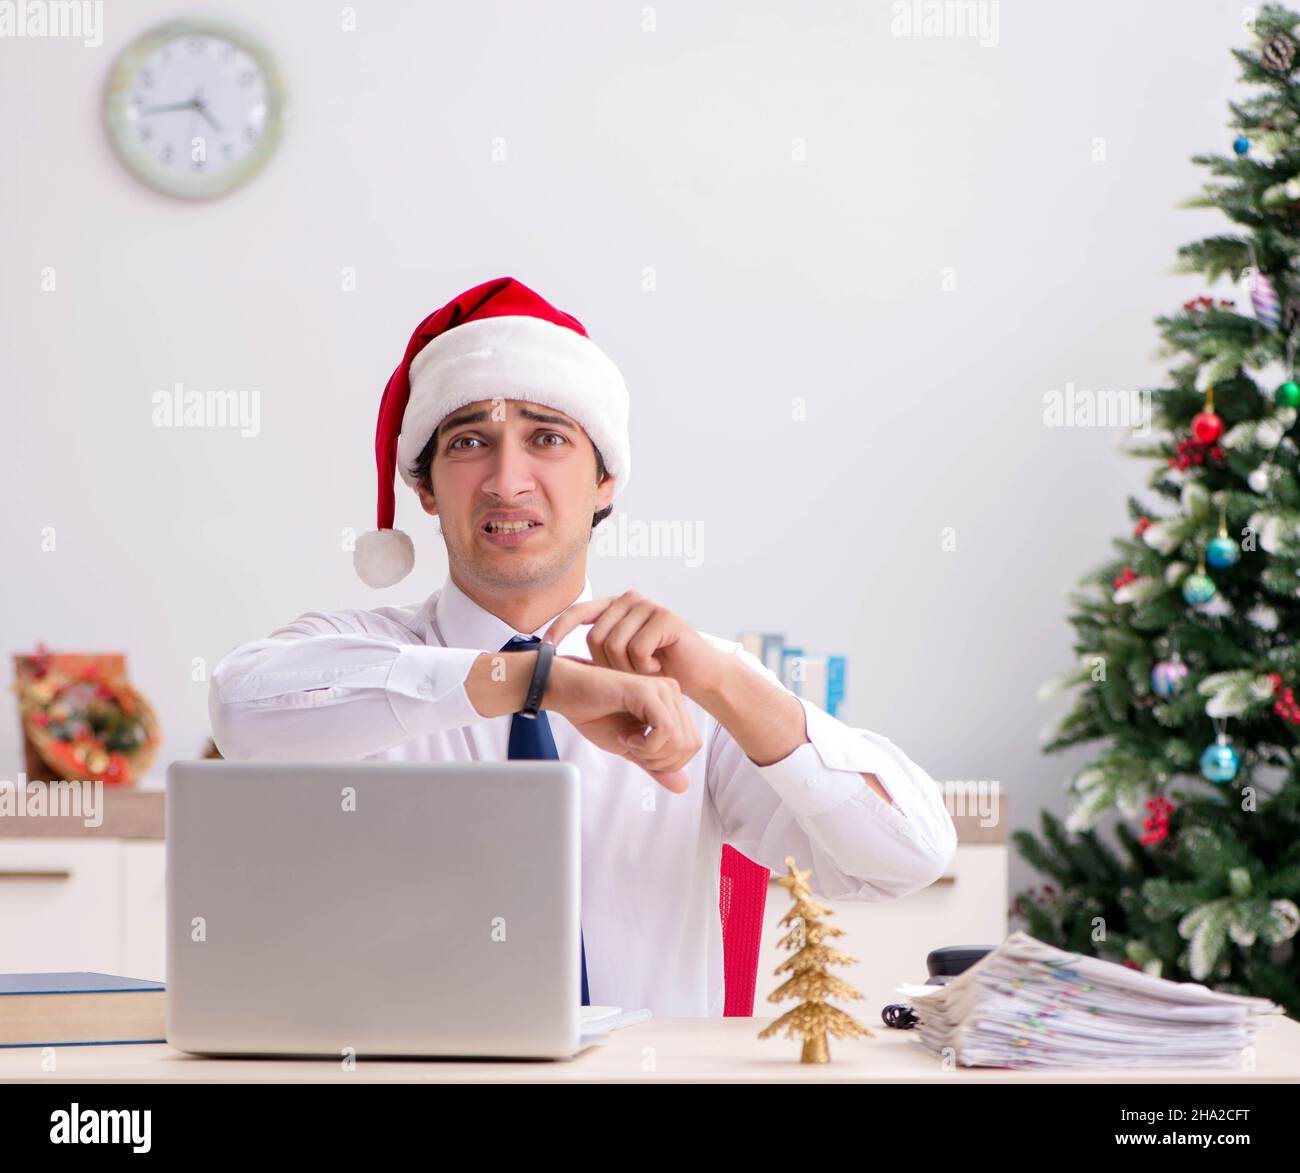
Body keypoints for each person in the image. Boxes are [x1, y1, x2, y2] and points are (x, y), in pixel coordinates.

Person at [208, 275, 957, 1017]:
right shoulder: (369, 655)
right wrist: (541, 682)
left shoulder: (688, 680)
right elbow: (241, 707)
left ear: (605, 481)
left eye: (548, 437)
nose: (508, 480)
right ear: (426, 487)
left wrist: (727, 682)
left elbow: (911, 854)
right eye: (470, 440)